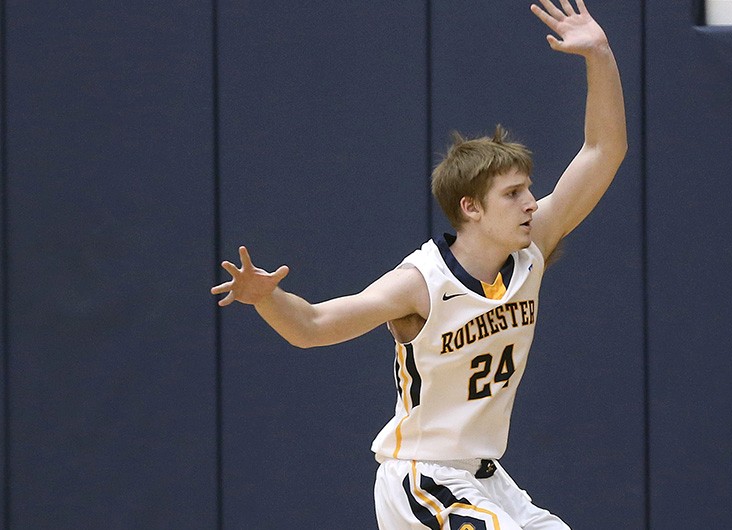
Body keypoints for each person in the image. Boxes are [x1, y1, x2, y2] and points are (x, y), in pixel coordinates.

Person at [211, 1, 625, 527]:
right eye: (514, 193)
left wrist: (600, 53)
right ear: (470, 208)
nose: (531, 203)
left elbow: (602, 149)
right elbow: (312, 327)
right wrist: (266, 296)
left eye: (529, 190)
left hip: (486, 477)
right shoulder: (419, 284)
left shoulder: (530, 249)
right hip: (419, 476)